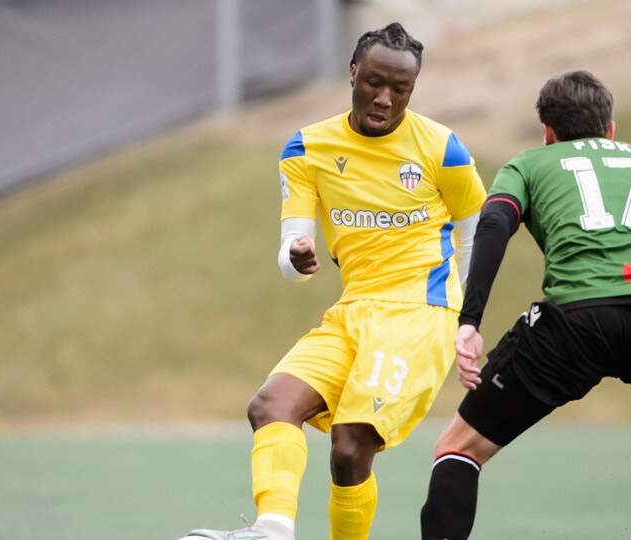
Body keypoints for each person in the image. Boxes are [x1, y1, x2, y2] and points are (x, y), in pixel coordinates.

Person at [180, 22, 486, 540]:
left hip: (419, 312)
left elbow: (474, 233)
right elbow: (290, 249)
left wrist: (465, 317)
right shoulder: (307, 148)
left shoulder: (442, 149)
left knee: (350, 446)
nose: (385, 98)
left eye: (401, 88)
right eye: (374, 82)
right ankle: (273, 530)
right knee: (271, 405)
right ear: (352, 73)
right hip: (353, 310)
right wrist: (295, 256)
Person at [419, 70, 631, 539]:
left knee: (459, 448)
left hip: (576, 320)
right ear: (610, 128)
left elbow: (493, 226)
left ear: (547, 132)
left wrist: (470, 320)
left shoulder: (529, 163)